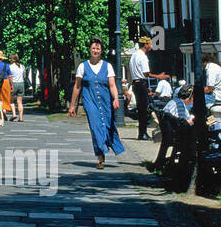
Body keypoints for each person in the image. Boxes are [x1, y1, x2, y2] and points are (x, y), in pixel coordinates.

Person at [68, 38, 124, 169]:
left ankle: (105, 148)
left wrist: (116, 98)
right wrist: (72, 105)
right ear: (89, 49)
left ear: (101, 51)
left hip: (105, 102)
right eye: (93, 48)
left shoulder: (108, 66)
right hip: (90, 101)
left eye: (98, 48)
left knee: (107, 126)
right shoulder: (83, 66)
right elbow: (77, 87)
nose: (95, 50)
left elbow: (112, 85)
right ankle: (100, 157)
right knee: (95, 127)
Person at [128, 35, 167, 142]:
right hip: (141, 83)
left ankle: (142, 132)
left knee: (141, 110)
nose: (151, 46)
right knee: (144, 110)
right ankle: (143, 133)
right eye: (150, 44)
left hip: (136, 84)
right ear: (146, 44)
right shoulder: (143, 57)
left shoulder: (134, 55)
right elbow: (146, 73)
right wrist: (159, 76)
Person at [8, 54, 26, 122]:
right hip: (21, 84)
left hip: (14, 84)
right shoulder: (22, 66)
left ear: (11, 59)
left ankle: (14, 114)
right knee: (20, 102)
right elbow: (24, 76)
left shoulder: (10, 67)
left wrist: (11, 84)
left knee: (11, 101)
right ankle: (21, 117)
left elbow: (9, 77)